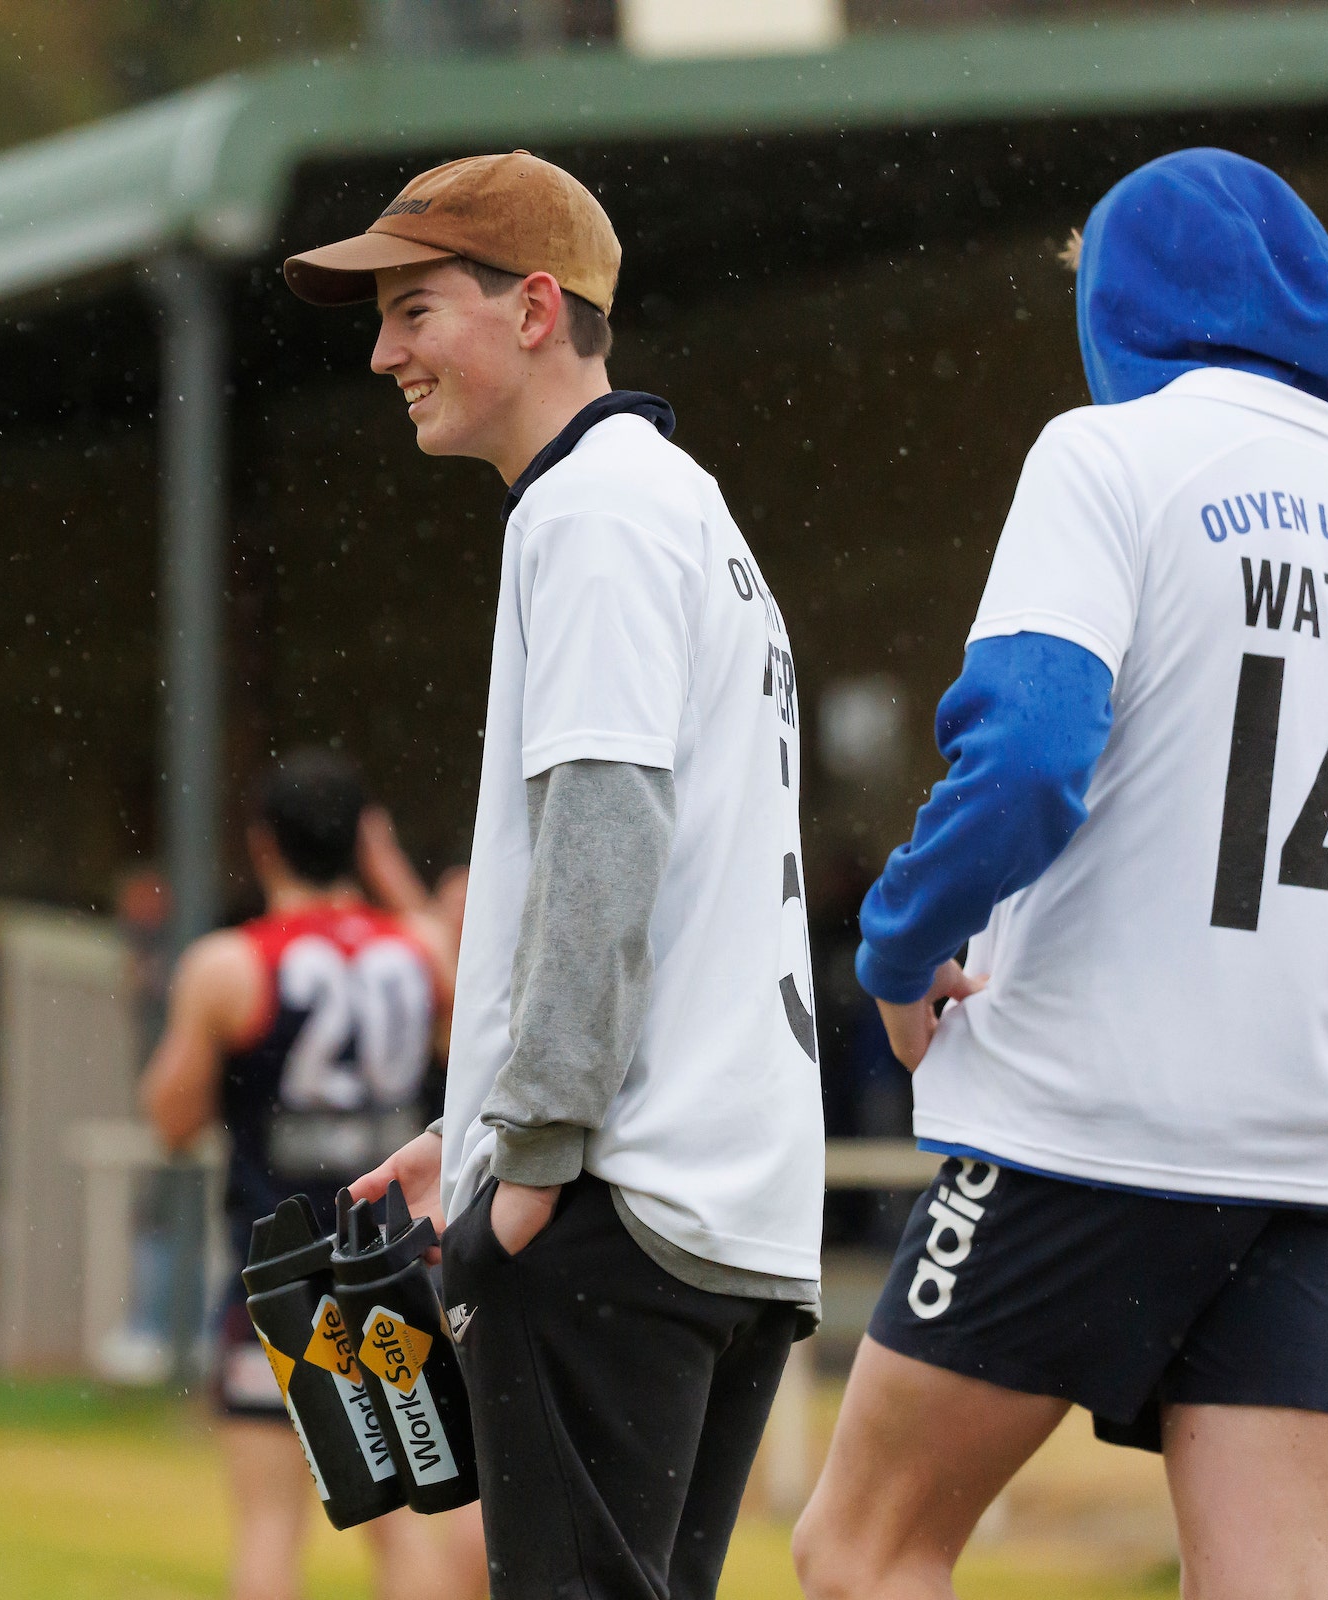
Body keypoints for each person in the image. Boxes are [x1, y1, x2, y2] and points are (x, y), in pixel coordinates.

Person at [792, 150, 1328, 1600]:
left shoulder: (1106, 457)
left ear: (1125, 299)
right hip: (1303, 1163)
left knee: (862, 1550)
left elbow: (1029, 753)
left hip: (1079, 1127)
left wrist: (898, 950)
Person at [286, 151, 826, 1599]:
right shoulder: (686, 506)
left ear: (535, 308)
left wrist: (521, 1166)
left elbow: (609, 840)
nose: (385, 350)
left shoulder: (585, 513)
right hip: (733, 1200)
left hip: (615, 1202)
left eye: (413, 308)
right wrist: (472, 1123)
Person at [139, 749, 481, 1600]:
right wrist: (389, 872)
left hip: (281, 1274)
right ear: (362, 845)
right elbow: (476, 1014)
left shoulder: (229, 966)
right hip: (393, 1269)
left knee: (268, 1528)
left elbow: (171, 1120)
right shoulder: (420, 951)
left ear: (263, 846)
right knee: (409, 1526)